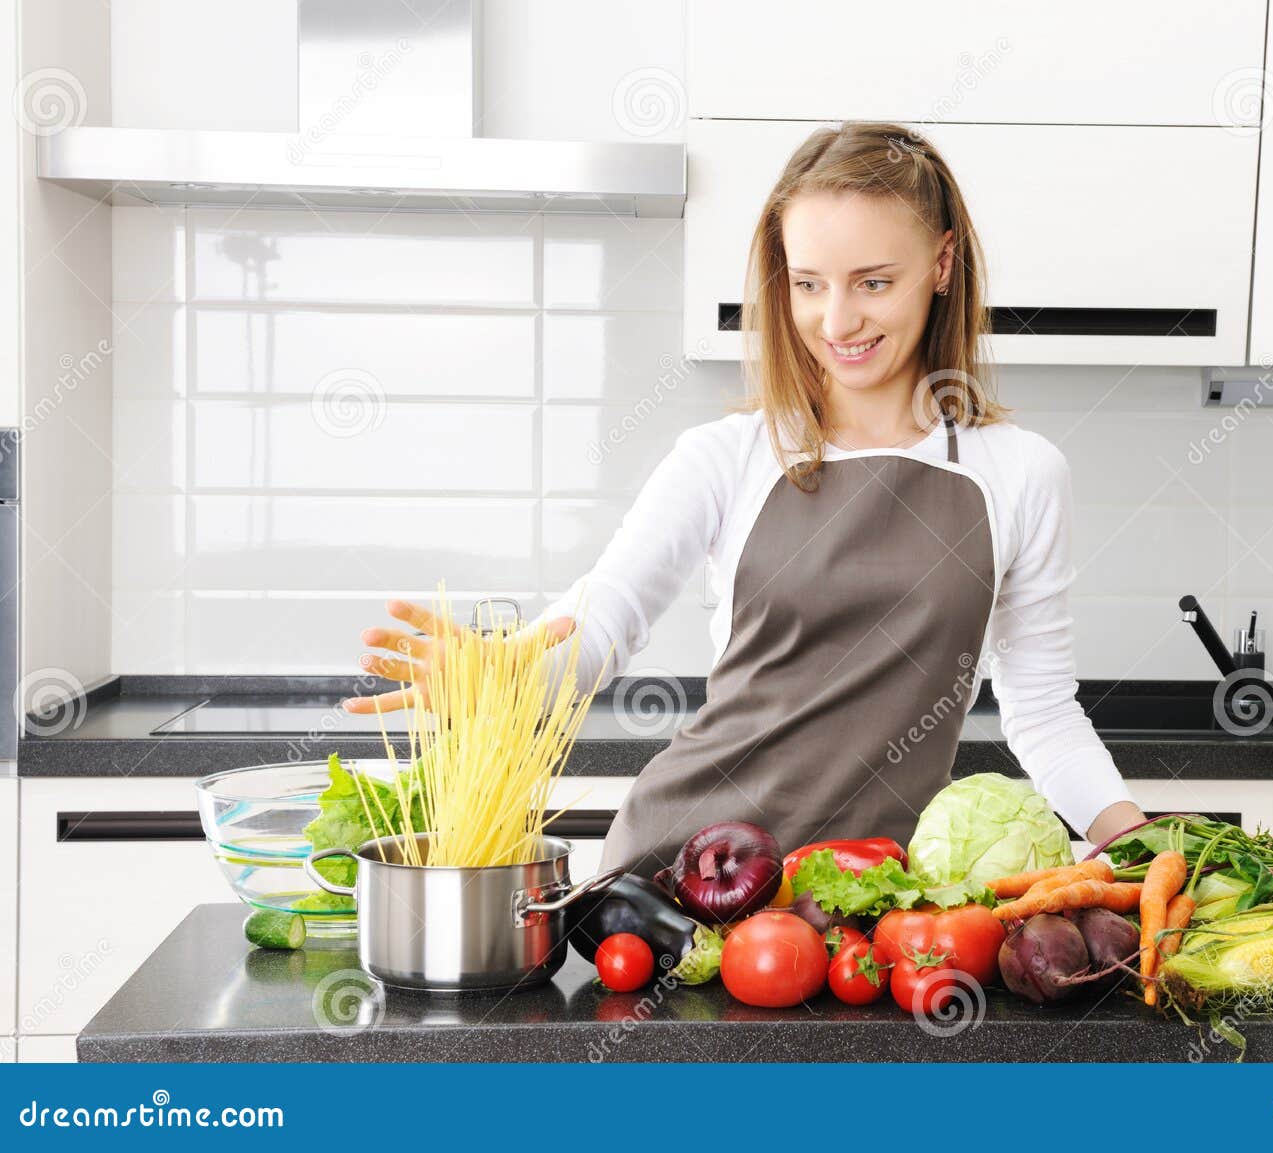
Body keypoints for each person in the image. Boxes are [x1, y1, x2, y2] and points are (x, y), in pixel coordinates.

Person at [344, 121, 1145, 878]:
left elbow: (1040, 710)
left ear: (941, 264)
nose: (837, 320)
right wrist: (495, 677)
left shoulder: (1023, 475)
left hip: (875, 903)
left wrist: (1144, 847)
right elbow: (601, 624)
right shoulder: (725, 457)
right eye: (808, 283)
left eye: (874, 281)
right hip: (686, 875)